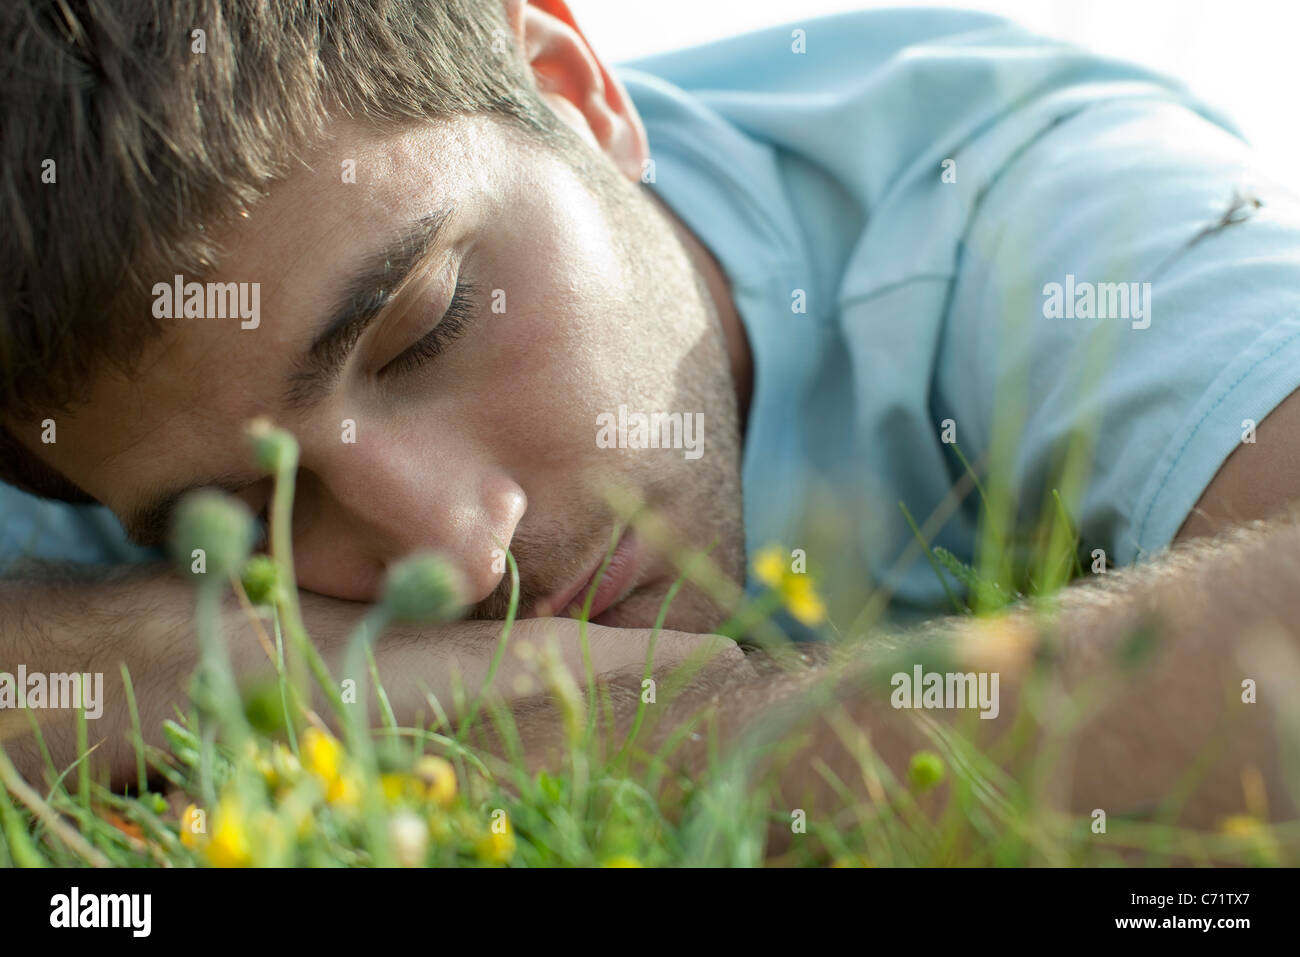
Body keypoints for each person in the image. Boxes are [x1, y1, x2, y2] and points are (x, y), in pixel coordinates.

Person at [1, 0, 1297, 832]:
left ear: (573, 86)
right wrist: (153, 648)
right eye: (241, 510)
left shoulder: (1036, 201)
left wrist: (631, 735)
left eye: (433, 322)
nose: (455, 552)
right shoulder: (97, 400)